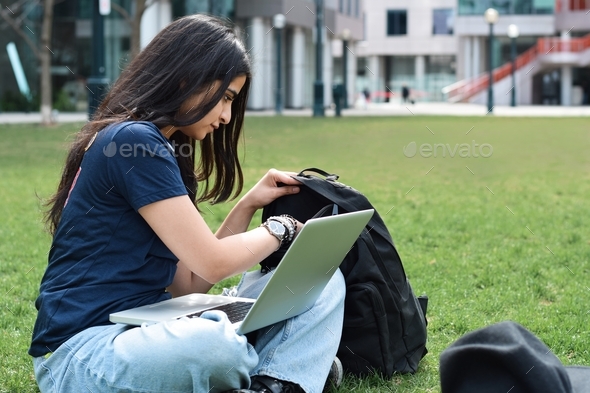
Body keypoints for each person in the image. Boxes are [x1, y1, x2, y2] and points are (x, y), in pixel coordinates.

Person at [29, 14, 345, 393]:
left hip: (154, 324)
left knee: (320, 280)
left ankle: (274, 382)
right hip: (83, 351)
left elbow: (190, 282)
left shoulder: (160, 147)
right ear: (187, 76)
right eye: (226, 97)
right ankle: (287, 366)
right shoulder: (134, 142)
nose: (227, 116)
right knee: (213, 348)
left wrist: (246, 206)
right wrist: (282, 229)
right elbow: (211, 260)